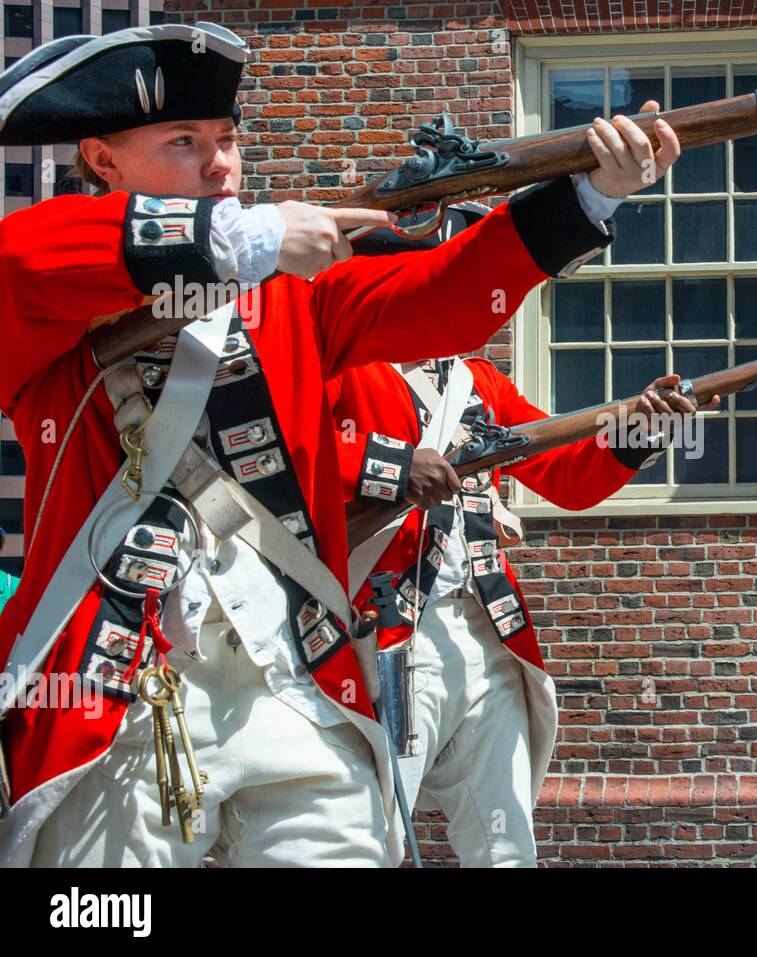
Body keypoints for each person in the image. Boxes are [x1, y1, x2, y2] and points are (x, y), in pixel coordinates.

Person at [0, 21, 680, 867]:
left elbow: (447, 293)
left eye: (227, 140)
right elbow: (20, 262)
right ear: (102, 161)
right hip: (124, 689)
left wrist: (589, 199)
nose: (220, 165)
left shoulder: (291, 289)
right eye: (185, 142)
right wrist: (225, 242)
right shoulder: (59, 282)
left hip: (295, 673)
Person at [331, 352, 711, 865]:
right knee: (365, 840)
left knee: (506, 847)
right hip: (390, 633)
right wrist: (394, 467)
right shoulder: (347, 363)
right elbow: (292, 451)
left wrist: (646, 427)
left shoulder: (477, 379)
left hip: (490, 634)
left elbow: (565, 473)